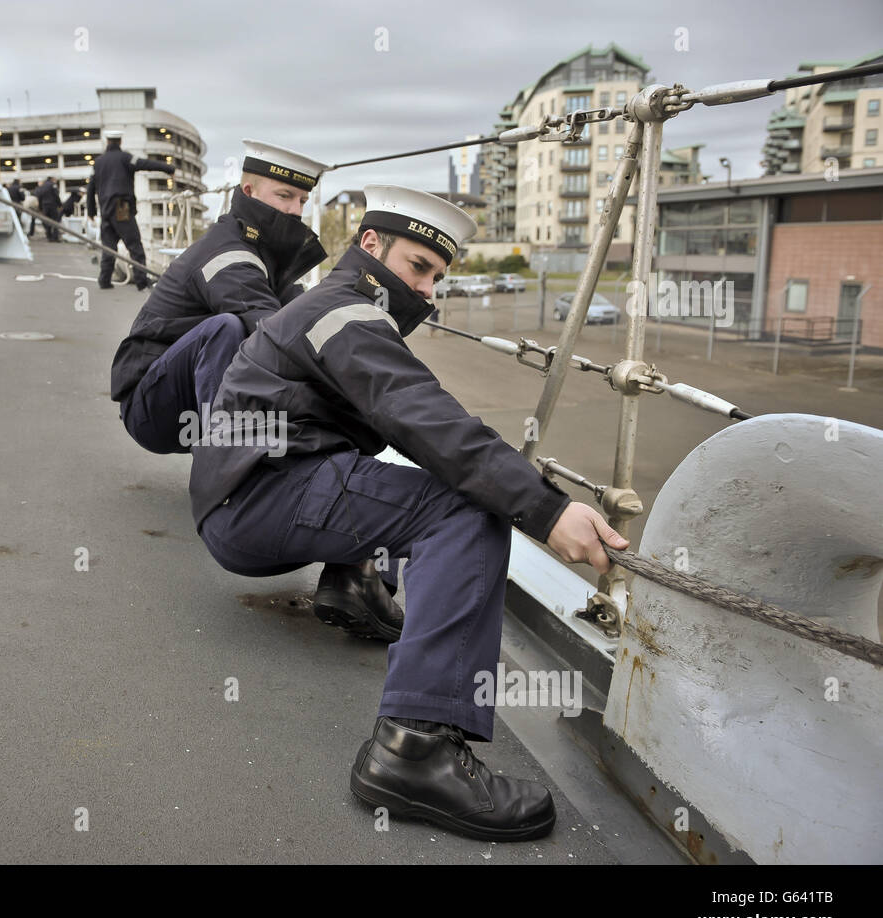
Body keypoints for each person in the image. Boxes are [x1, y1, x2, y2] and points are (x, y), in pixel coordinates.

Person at [187, 184, 629, 841]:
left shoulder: (334, 306)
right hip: (258, 498)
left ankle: (353, 580)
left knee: (393, 475)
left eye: (437, 277)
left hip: (242, 494)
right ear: (370, 246)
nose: (427, 290)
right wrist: (545, 509)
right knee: (466, 511)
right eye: (418, 268)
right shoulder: (346, 311)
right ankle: (415, 749)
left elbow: (392, 422)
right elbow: (424, 413)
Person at [111, 141, 400, 641]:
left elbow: (307, 333)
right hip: (150, 405)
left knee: (313, 378)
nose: (292, 210)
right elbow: (274, 332)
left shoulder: (270, 259)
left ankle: (353, 566)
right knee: (228, 329)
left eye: (299, 202)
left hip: (189, 404)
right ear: (247, 191)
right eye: (282, 196)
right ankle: (230, 474)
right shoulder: (229, 256)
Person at [87, 130, 174, 290]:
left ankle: (104, 280)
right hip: (121, 207)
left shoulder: (98, 162)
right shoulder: (125, 158)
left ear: (107, 141)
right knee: (134, 246)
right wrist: (168, 168)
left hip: (105, 209)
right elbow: (144, 164)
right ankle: (141, 281)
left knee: (108, 246)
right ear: (120, 141)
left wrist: (91, 212)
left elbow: (91, 187)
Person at [33, 176, 62, 241]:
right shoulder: (53, 185)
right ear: (53, 179)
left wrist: (40, 207)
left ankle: (49, 237)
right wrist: (60, 205)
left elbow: (40, 197)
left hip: (45, 206)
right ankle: (55, 237)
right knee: (55, 221)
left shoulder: (43, 186)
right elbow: (56, 195)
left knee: (47, 221)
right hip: (52, 205)